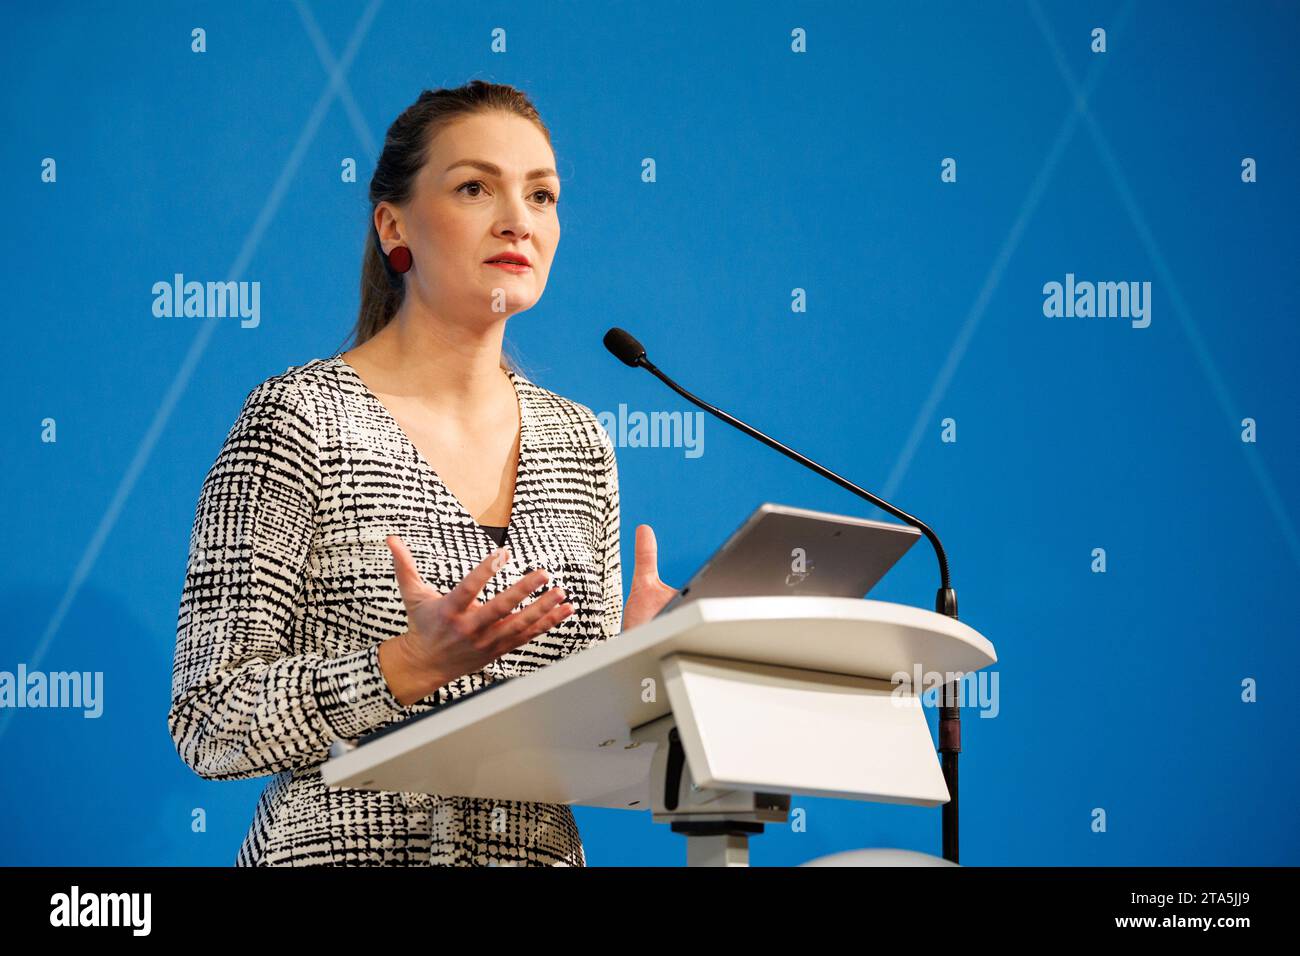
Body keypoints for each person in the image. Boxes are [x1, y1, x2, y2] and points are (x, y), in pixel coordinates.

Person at [167, 81, 678, 866]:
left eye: (542, 196)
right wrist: (404, 666)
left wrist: (632, 674)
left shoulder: (580, 443)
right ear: (393, 224)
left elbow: (585, 750)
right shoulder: (299, 418)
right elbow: (210, 720)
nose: (519, 219)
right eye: (475, 187)